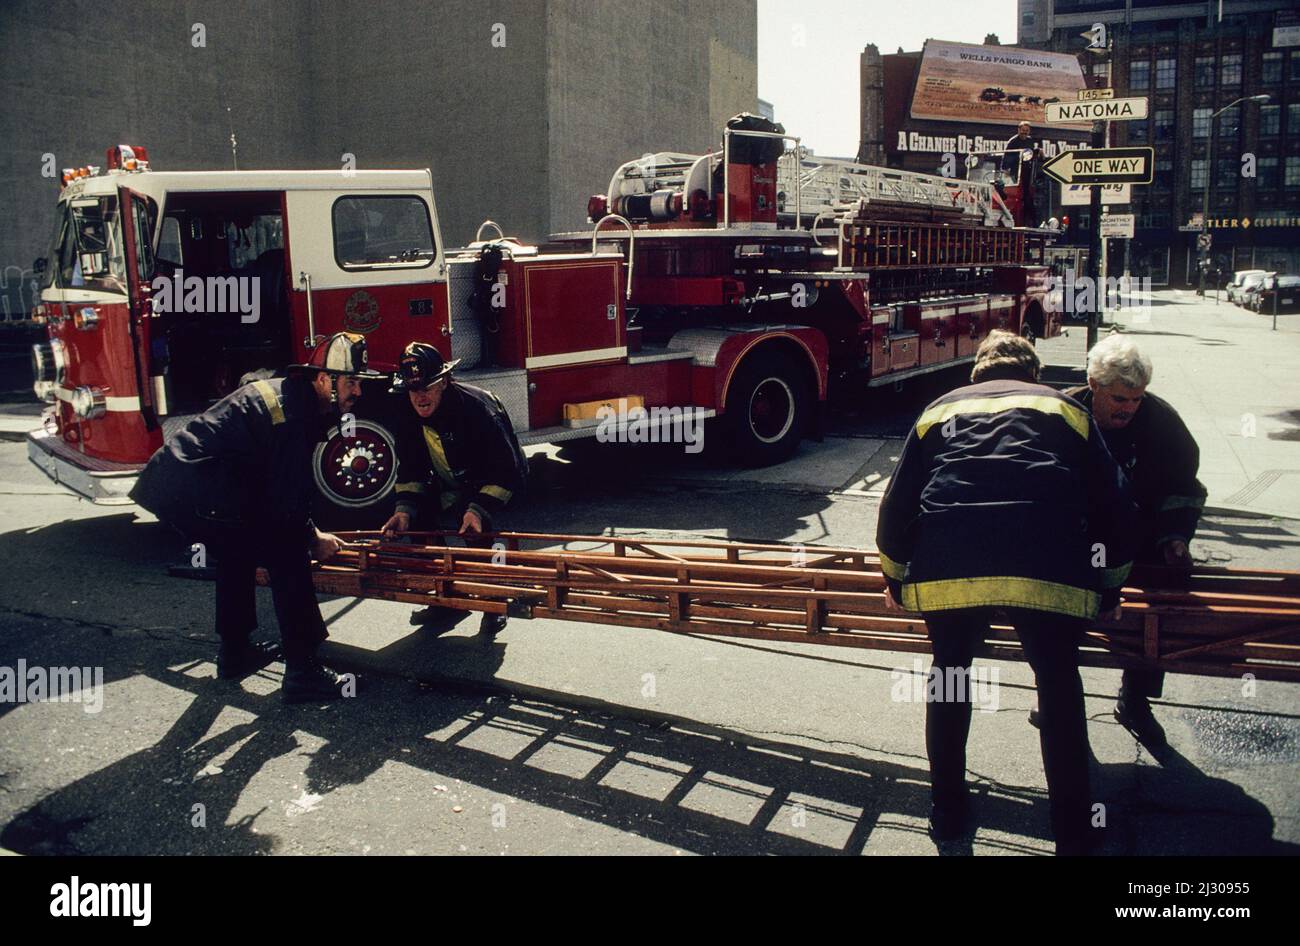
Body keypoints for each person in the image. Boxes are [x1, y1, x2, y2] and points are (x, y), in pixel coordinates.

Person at [876, 331, 1137, 854]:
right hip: (1045, 559)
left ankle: (947, 810)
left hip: (952, 559)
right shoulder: (1066, 409)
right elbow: (1115, 505)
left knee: (950, 671)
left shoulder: (937, 411)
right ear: (1033, 374)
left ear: (977, 373)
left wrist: (896, 577)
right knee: (1057, 678)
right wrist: (1110, 586)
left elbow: (895, 508)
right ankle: (1073, 826)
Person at [130, 332, 385, 703]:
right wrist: (313, 540)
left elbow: (270, 488)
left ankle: (234, 654)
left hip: (175, 482)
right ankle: (303, 672)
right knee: (287, 552)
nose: (358, 392)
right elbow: (287, 502)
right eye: (351, 382)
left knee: (238, 548)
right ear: (323, 379)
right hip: (197, 484)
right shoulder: (292, 417)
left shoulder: (290, 396)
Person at [1060, 333, 1207, 745]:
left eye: (1136, 399)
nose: (1129, 409)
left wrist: (1175, 536)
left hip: (1140, 539)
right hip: (1078, 538)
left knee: (1160, 600)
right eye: (1119, 399)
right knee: (1058, 607)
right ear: (1094, 386)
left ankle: (1135, 699)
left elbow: (1183, 485)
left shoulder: (1162, 422)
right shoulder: (1063, 414)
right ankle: (1056, 690)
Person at [380, 342, 527, 637]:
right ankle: (444, 600)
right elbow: (410, 468)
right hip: (447, 481)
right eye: (413, 390)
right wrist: (403, 510)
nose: (420, 397)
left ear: (445, 382)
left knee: (479, 531)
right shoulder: (406, 411)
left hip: (489, 479)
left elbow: (505, 467)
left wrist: (477, 508)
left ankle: (493, 602)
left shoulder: (477, 409)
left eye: (428, 387)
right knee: (420, 524)